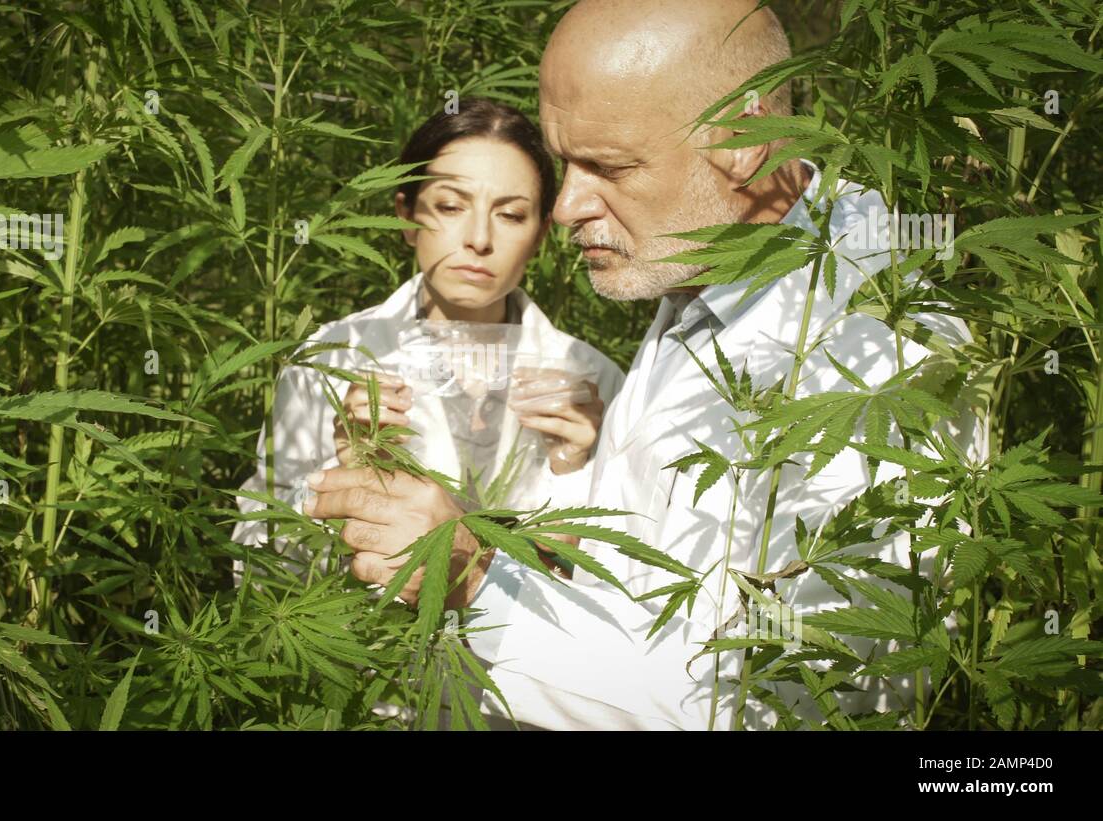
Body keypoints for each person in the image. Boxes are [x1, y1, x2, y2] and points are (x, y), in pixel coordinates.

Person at [301, 0, 983, 729]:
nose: (564, 207)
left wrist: (473, 576)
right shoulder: (706, 273)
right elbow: (643, 585)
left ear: (744, 139)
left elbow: (779, 696)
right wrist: (449, 509)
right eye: (566, 163)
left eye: (608, 166)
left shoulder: (871, 354)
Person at [232, 97, 625, 573]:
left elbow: (621, 572)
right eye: (450, 206)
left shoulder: (594, 380)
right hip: (369, 644)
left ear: (541, 234)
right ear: (407, 216)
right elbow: (258, 549)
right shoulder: (327, 360)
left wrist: (573, 468)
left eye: (511, 215)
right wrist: (347, 479)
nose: (478, 238)